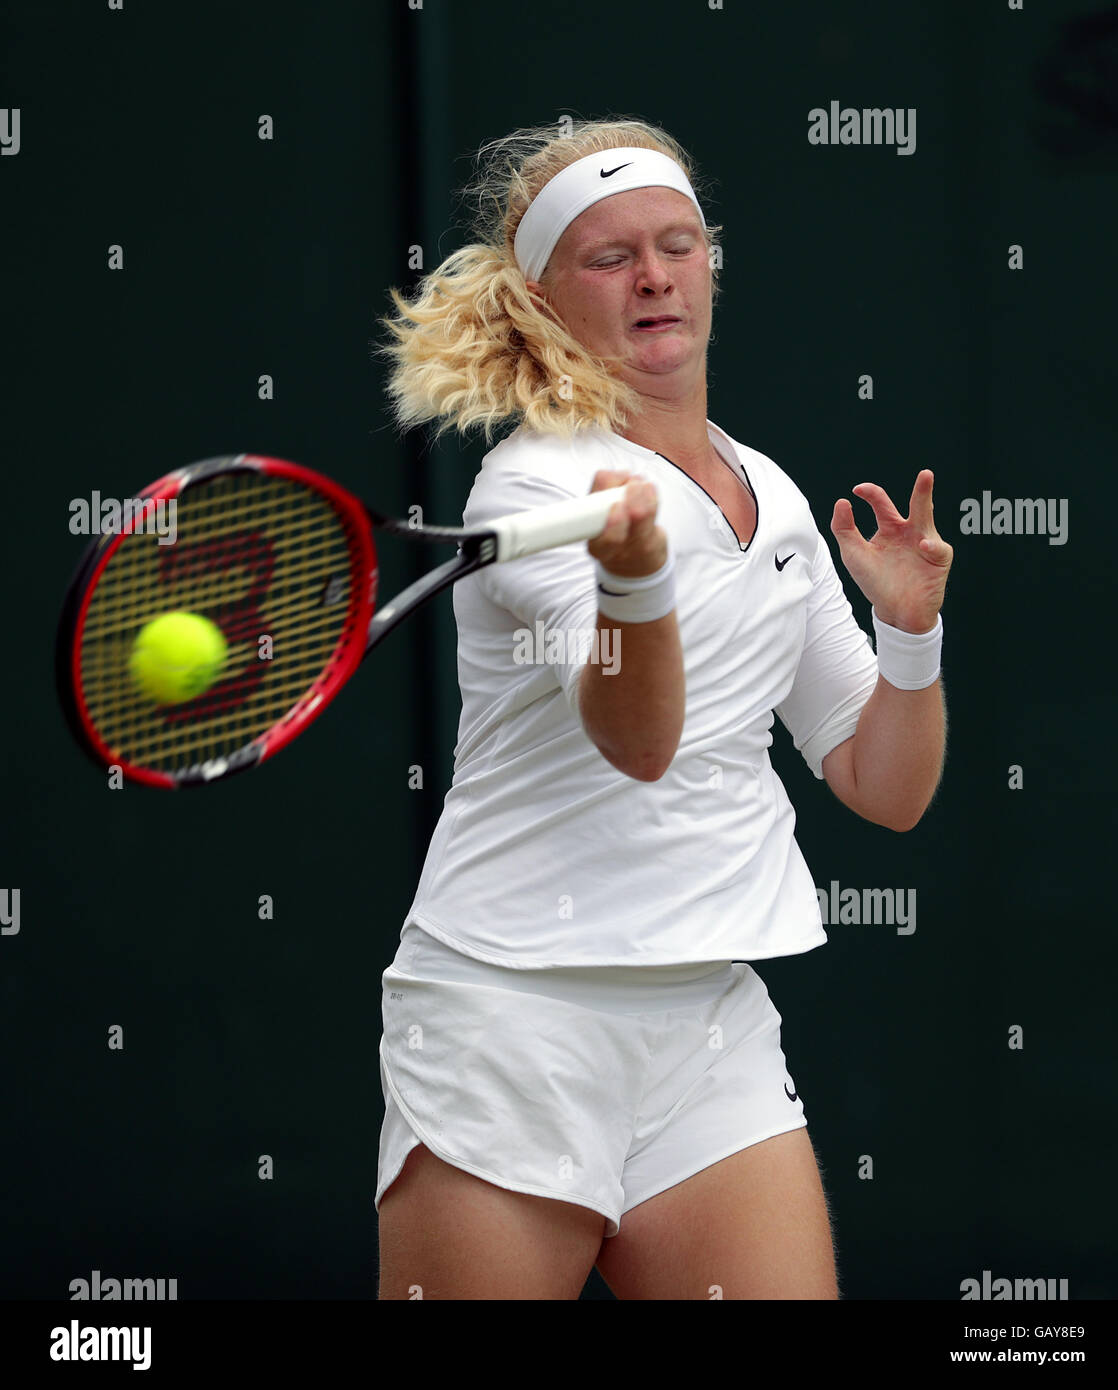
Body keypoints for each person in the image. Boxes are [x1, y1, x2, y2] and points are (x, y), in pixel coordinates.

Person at [370, 117, 952, 1300]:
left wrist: (909, 631)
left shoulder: (773, 497)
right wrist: (632, 574)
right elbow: (639, 742)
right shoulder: (529, 487)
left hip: (707, 1025)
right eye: (610, 255)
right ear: (540, 295)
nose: (653, 275)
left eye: (678, 244)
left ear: (710, 263)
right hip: (509, 1019)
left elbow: (883, 787)